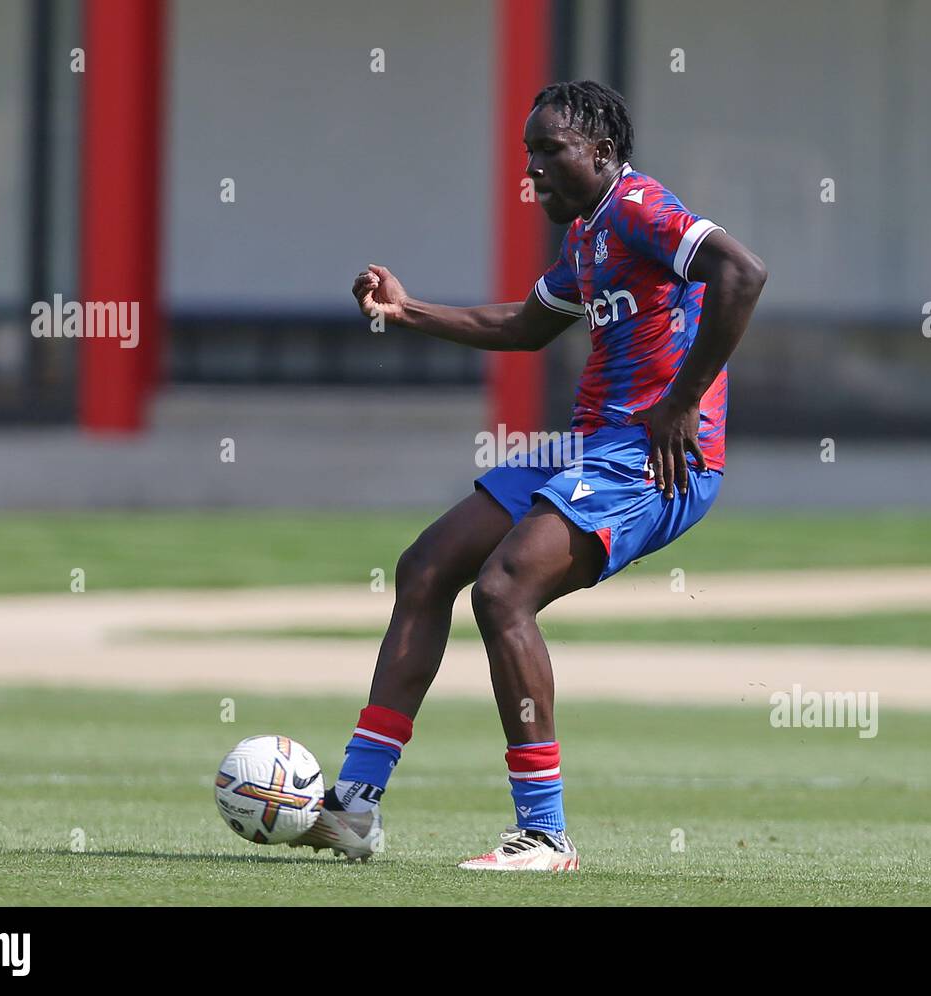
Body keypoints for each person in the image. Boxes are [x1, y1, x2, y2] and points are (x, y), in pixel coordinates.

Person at [295, 80, 766, 871]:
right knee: (426, 565)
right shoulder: (586, 237)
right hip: (589, 444)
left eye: (550, 151)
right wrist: (407, 311)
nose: (534, 170)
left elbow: (742, 274)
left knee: (503, 588)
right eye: (528, 154)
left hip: (655, 457)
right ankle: (354, 806)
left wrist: (682, 401)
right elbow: (522, 326)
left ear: (603, 153)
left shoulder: (643, 209)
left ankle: (545, 835)